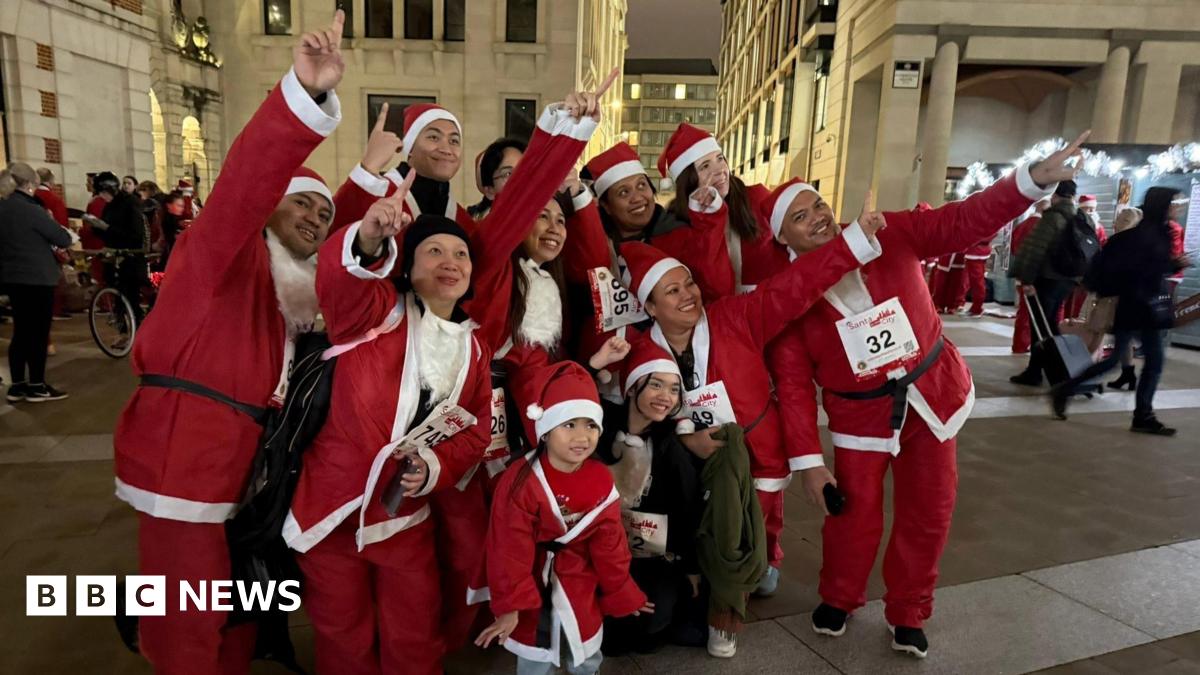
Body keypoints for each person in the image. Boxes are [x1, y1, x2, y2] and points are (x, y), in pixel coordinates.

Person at [766, 136, 1081, 659]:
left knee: (929, 510)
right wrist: (809, 463)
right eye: (799, 217)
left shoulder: (888, 233)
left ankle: (909, 609)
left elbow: (962, 221)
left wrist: (1030, 181)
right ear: (783, 239)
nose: (818, 217)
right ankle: (840, 597)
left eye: (817, 204)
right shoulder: (792, 293)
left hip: (932, 397)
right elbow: (795, 387)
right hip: (859, 415)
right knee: (851, 514)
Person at [111, 12, 346, 673]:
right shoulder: (225, 252)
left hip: (249, 469)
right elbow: (247, 180)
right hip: (185, 458)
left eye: (323, 215)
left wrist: (370, 183)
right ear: (270, 209)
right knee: (185, 615)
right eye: (301, 204)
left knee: (238, 600)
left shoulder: (288, 290)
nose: (314, 218)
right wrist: (301, 95)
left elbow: (324, 246)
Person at [618, 198, 884, 614]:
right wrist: (685, 442)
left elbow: (794, 286)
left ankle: (760, 563)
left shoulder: (734, 316)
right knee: (709, 524)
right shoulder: (640, 355)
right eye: (673, 291)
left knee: (760, 523)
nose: (689, 295)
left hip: (759, 449)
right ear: (650, 307)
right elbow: (638, 424)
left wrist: (850, 245)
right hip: (691, 461)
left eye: (689, 284)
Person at [476, 360, 652, 675]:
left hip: (580, 579)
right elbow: (508, 549)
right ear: (544, 431)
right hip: (532, 579)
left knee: (585, 649)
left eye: (590, 425)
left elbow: (610, 544)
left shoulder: (600, 478)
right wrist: (510, 607)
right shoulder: (521, 482)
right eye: (568, 425)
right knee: (535, 657)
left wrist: (621, 589)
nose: (581, 437)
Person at [589, 339, 708, 655]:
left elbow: (688, 510)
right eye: (656, 385)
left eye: (673, 389)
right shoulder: (600, 421)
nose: (665, 397)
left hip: (651, 554)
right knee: (609, 634)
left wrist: (691, 567)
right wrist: (597, 362)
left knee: (647, 629)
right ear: (631, 388)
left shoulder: (672, 446)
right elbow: (569, 401)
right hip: (597, 547)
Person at [1052, 187, 1190, 435]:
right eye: (1174, 203)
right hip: (1140, 306)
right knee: (1148, 362)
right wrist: (1171, 265)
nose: (1177, 208)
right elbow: (1140, 269)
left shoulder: (1153, 232)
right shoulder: (1148, 236)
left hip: (1136, 305)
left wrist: (1168, 265)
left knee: (1123, 359)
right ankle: (1140, 414)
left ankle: (1068, 389)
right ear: (1162, 205)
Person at [658, 123, 787, 300]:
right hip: (719, 318)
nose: (719, 171)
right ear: (688, 180)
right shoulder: (675, 223)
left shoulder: (757, 197)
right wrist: (707, 218)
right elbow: (710, 284)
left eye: (720, 159)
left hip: (772, 311)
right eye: (705, 166)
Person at [331, 100, 475, 233]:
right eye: (433, 137)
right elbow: (332, 233)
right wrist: (368, 168)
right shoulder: (375, 194)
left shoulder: (462, 219)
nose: (446, 149)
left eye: (454, 141)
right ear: (410, 148)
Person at [1009, 178, 1100, 386]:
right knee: (1050, 325)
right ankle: (1056, 369)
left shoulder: (1053, 217)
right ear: (1074, 197)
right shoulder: (1083, 218)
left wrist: (1027, 278)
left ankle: (1043, 371)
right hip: (1068, 280)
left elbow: (1035, 250)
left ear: (1055, 196)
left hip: (1047, 279)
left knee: (1040, 327)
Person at [0, 162, 73, 402]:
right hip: (38, 278)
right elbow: (61, 237)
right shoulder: (31, 210)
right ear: (30, 184)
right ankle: (37, 385)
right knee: (38, 333)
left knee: (21, 331)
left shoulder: (4, 208)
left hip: (12, 277)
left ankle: (18, 385)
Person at [90, 171, 150, 325]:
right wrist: (97, 226)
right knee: (120, 298)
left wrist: (108, 228)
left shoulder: (131, 203)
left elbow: (135, 234)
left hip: (131, 257)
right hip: (115, 257)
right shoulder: (110, 206)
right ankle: (124, 329)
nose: (102, 196)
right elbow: (106, 231)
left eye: (103, 192)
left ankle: (134, 330)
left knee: (131, 297)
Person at [1010, 198, 1050, 354]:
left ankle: (1019, 344)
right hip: (1036, 275)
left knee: (1023, 311)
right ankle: (1025, 344)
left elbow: (1014, 248)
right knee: (1031, 312)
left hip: (1022, 273)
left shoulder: (1022, 225)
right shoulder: (1041, 227)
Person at [469, 137, 527, 219]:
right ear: (490, 190)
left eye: (523, 171)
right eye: (508, 174)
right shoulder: (476, 226)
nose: (519, 180)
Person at [961, 237, 993, 317]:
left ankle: (977, 308)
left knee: (977, 282)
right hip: (977, 251)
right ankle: (976, 307)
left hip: (976, 252)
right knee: (976, 282)